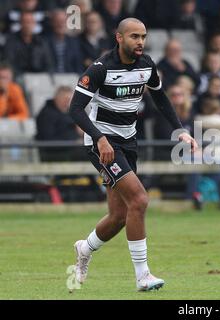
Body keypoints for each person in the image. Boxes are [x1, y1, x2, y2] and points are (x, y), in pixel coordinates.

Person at [69, 18, 198, 291]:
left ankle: (85, 248)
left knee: (119, 215)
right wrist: (100, 138)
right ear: (119, 38)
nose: (140, 42)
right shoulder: (100, 69)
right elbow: (76, 109)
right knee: (139, 200)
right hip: (102, 143)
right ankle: (143, 276)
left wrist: (180, 130)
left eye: (143, 36)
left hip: (128, 141)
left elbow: (160, 97)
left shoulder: (147, 65)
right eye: (134, 37)